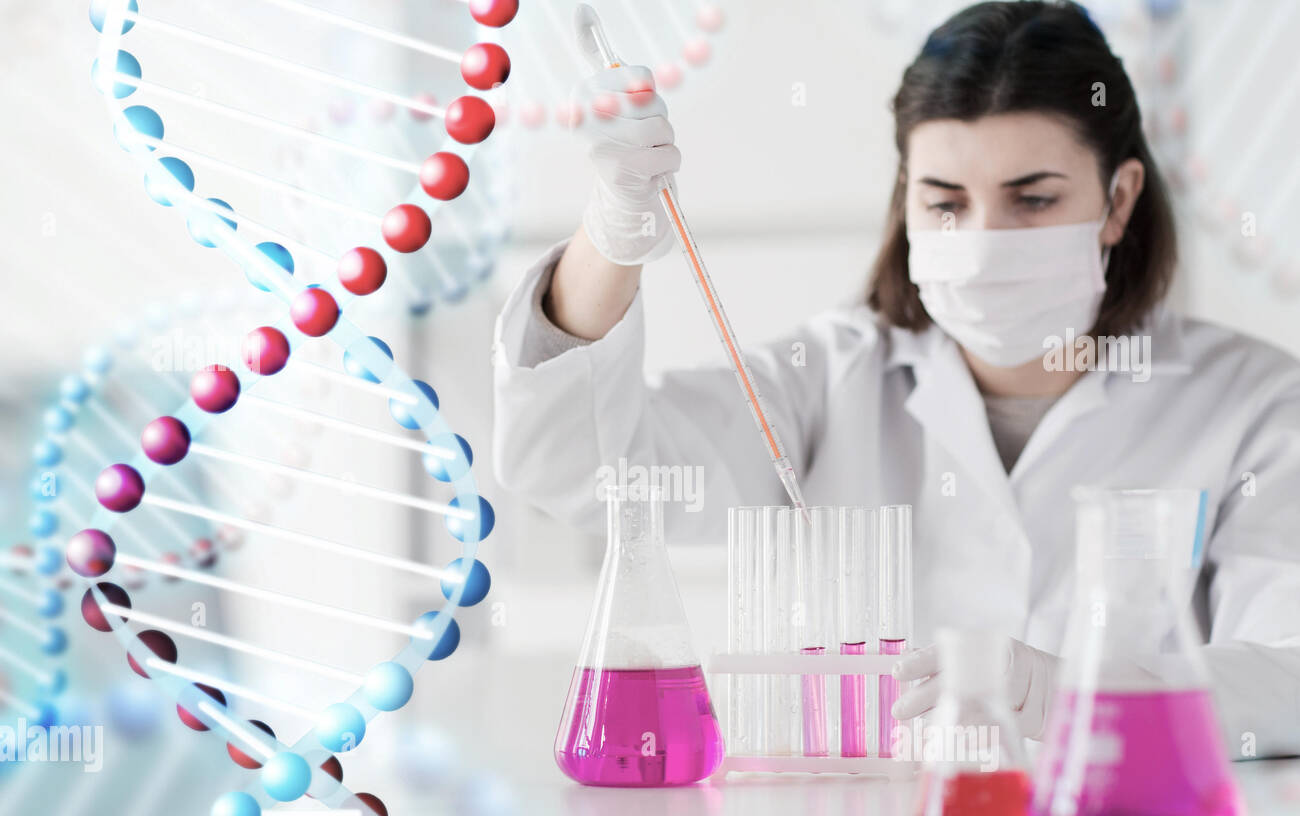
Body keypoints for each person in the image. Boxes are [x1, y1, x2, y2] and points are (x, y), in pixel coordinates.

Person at [491, 1, 1300, 757]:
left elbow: (1290, 677)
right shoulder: (829, 379)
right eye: (945, 202)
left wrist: (1080, 697)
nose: (983, 241)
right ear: (905, 199)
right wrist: (614, 232)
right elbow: (585, 473)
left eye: (1033, 199)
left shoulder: (1254, 407)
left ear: (1118, 200)